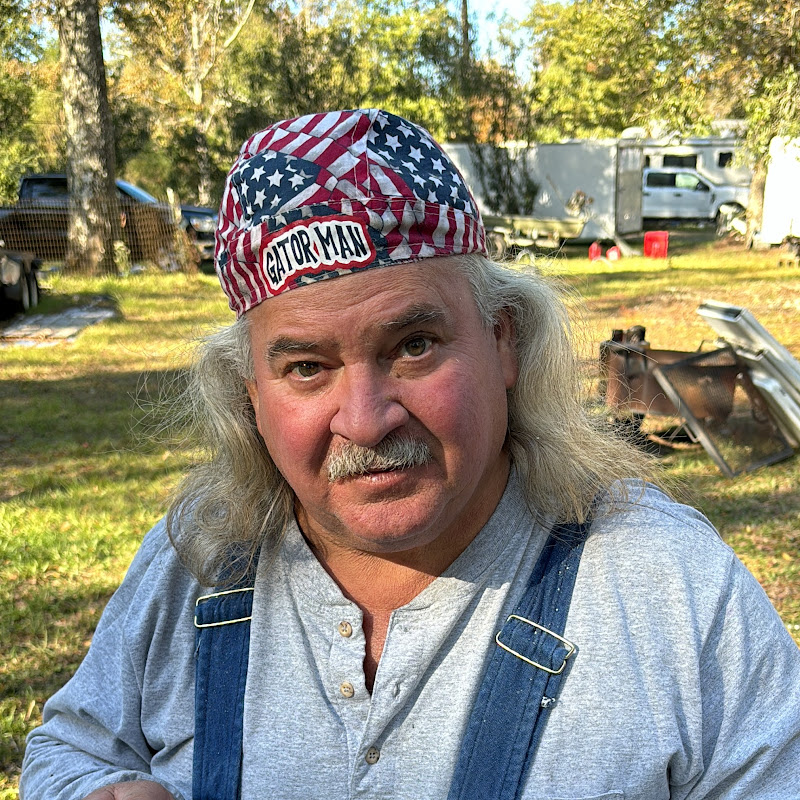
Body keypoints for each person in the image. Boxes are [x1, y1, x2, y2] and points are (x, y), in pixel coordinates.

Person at [20, 108, 800, 800]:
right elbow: (72, 747)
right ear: (249, 394)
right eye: (307, 368)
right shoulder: (195, 559)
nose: (365, 422)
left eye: (415, 346)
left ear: (502, 341)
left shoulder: (668, 588)